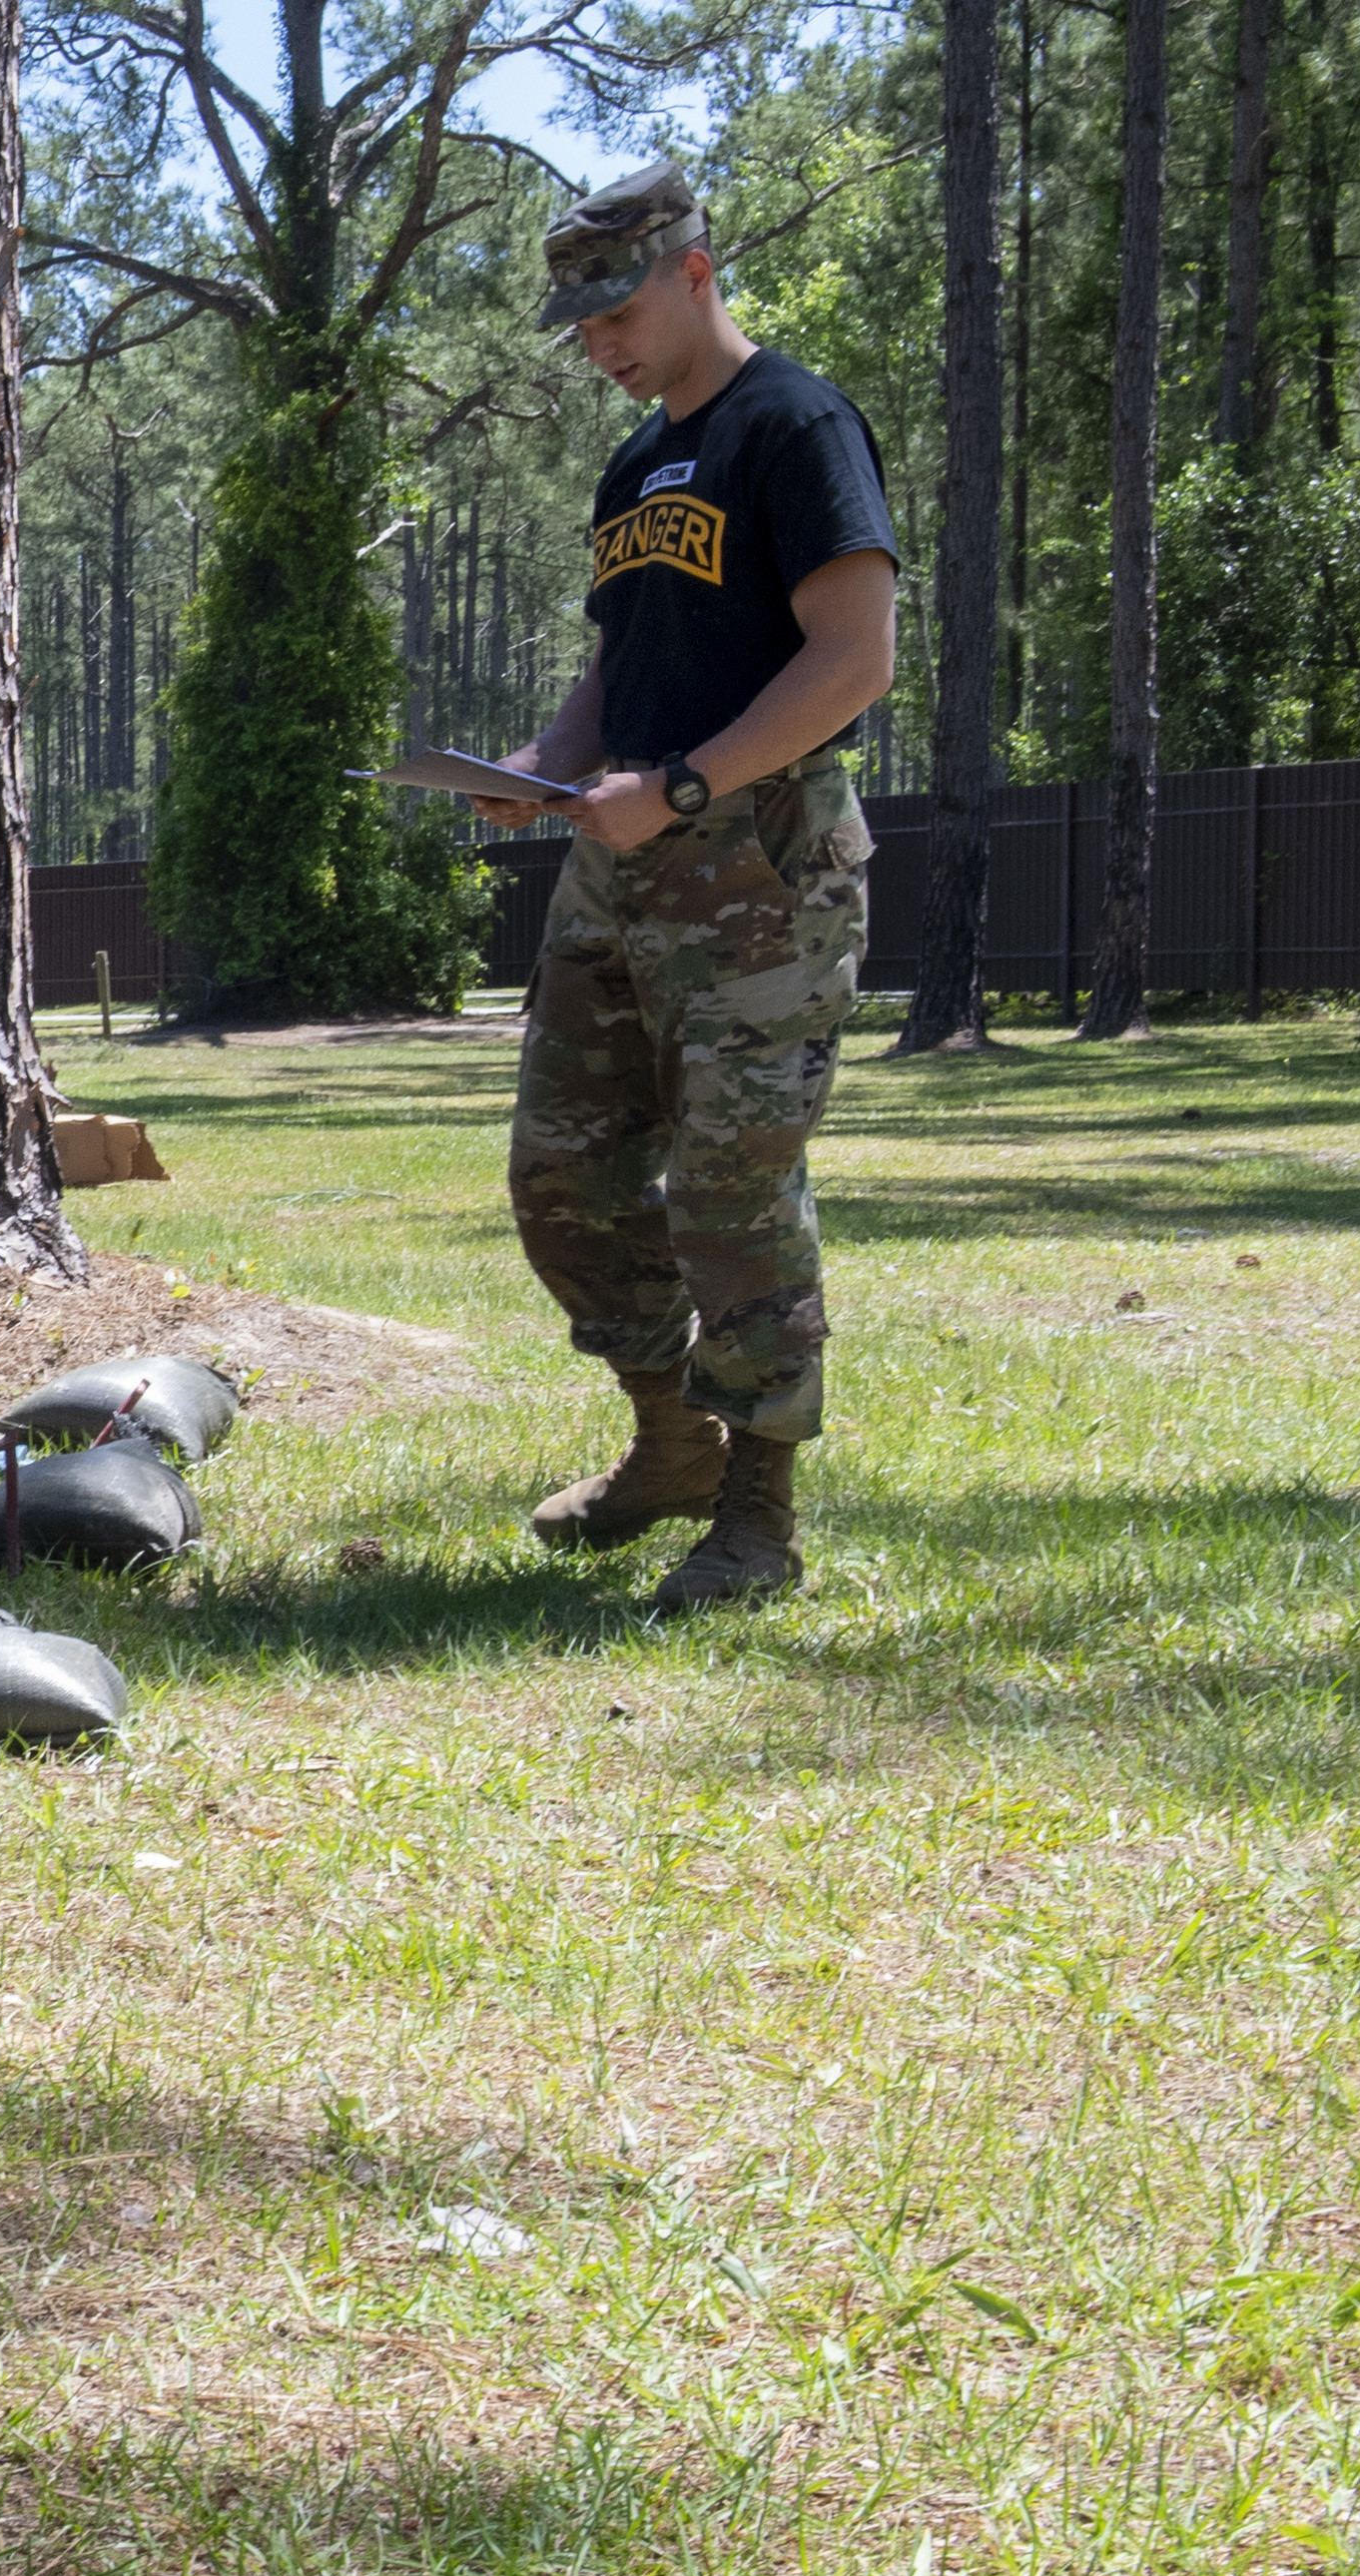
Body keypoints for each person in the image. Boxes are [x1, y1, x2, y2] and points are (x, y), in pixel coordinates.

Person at [471, 160, 898, 1612]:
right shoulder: (630, 467)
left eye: (617, 305)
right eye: (576, 319)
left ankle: (757, 1517)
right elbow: (622, 662)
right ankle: (667, 1446)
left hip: (759, 870)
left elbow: (849, 663)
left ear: (694, 271)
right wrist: (538, 762)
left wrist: (684, 790)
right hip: (622, 870)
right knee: (560, 1180)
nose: (597, 339)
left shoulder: (791, 423)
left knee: (727, 1188)